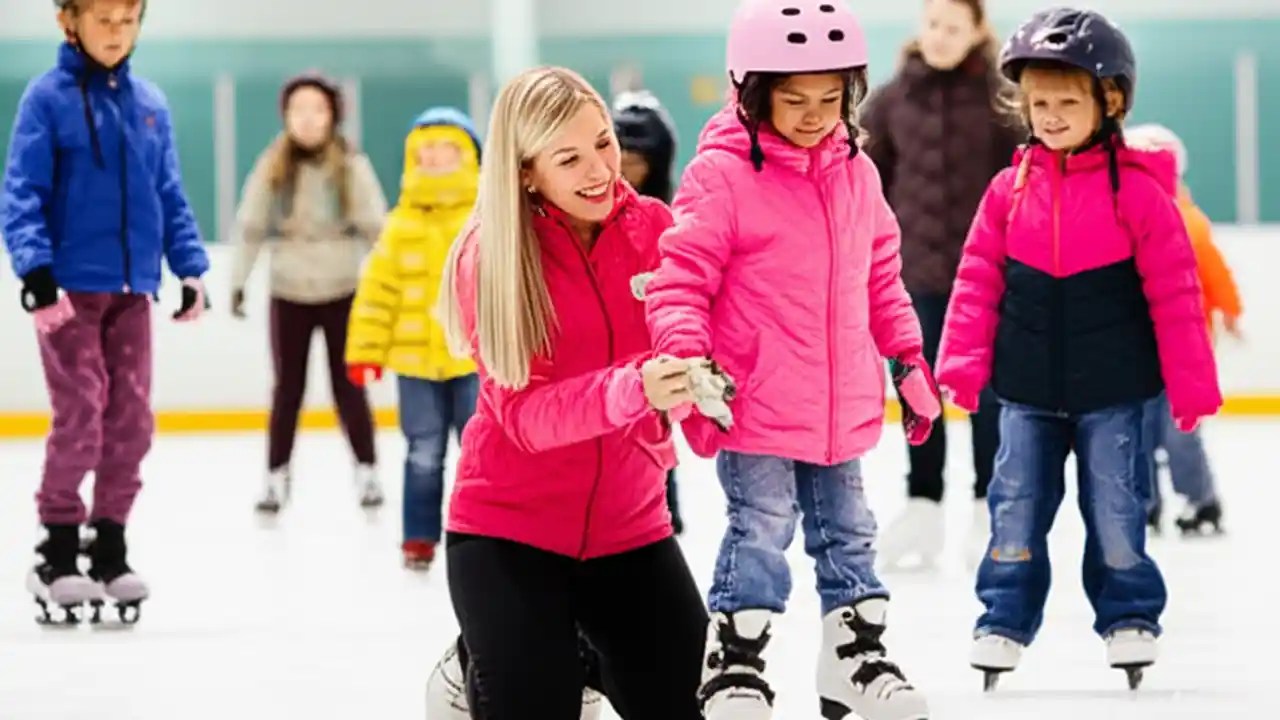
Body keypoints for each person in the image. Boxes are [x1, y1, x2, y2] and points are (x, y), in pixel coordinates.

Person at [641, 0, 942, 717]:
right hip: (758, 401)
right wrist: (687, 362)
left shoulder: (857, 175)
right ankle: (735, 664)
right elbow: (680, 281)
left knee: (850, 530)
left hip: (843, 405)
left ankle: (853, 656)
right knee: (762, 528)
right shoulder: (723, 177)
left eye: (830, 97)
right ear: (752, 95)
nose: (814, 114)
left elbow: (882, 280)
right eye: (794, 98)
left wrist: (907, 358)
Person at [935, 8, 1222, 689]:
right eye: (1040, 103)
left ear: (1110, 101)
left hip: (1113, 393)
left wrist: (1191, 387)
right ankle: (1002, 620)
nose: (1052, 115)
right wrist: (960, 364)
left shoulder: (1142, 197)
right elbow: (975, 284)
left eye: (1068, 101)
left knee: (1118, 506)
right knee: (1015, 504)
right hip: (1027, 393)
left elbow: (1177, 297)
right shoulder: (1009, 192)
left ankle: (1129, 615)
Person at [432, 65, 708, 719]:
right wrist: (630, 389)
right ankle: (494, 654)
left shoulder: (657, 232)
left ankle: (573, 648)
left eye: (604, 143)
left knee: (694, 704)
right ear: (527, 171)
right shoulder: (492, 256)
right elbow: (523, 416)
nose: (600, 170)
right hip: (509, 537)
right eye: (569, 158)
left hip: (631, 529)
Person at [2, 0, 210, 625]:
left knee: (132, 423)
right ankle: (57, 550)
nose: (116, 33)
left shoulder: (150, 103)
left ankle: (110, 544)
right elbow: (22, 191)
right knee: (81, 416)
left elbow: (168, 191)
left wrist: (190, 266)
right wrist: (35, 271)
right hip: (68, 291)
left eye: (127, 21)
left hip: (132, 291)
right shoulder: (46, 100)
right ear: (70, 22)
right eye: (103, 20)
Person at [861, 0, 1024, 570]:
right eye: (932, 24)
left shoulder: (1004, 99)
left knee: (987, 395)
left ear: (977, 31)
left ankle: (989, 508)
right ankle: (923, 507)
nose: (940, 36)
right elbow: (867, 183)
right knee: (917, 390)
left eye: (954, 27)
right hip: (914, 278)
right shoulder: (891, 100)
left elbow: (1022, 185)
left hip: (986, 277)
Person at [228, 72, 388, 515]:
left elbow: (378, 225)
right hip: (289, 290)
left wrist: (395, 276)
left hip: (342, 288)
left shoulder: (350, 165)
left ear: (333, 114)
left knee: (349, 386)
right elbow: (251, 224)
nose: (308, 118)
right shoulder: (273, 166)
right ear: (286, 115)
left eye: (317, 108)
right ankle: (276, 478)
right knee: (287, 389)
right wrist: (238, 280)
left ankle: (367, 470)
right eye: (298, 109)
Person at [344, 107, 482, 570]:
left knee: (480, 451)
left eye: (448, 152)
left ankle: (485, 532)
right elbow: (377, 293)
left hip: (474, 363)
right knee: (423, 452)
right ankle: (419, 537)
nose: (437, 161)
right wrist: (365, 350)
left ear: (469, 158)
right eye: (427, 153)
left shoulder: (485, 220)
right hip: (416, 365)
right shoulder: (400, 225)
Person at [1125, 123, 1240, 537]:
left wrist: (1230, 309)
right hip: (1135, 351)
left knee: (1180, 434)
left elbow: (1213, 271)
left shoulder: (1191, 222)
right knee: (1137, 432)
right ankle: (1146, 503)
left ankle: (1202, 500)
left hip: (1183, 352)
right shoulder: (1122, 220)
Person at [611, 89, 685, 533]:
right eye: (620, 157)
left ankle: (663, 507)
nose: (625, 170)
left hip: (654, 339)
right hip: (609, 338)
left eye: (636, 161)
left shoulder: (668, 215)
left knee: (655, 425)